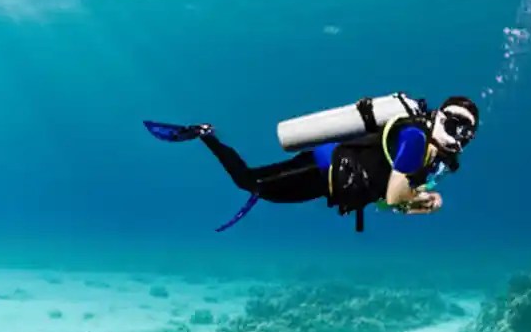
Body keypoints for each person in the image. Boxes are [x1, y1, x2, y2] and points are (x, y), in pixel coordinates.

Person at [143, 95, 480, 232]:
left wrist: (419, 200)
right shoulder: (416, 139)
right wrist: (426, 202)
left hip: (333, 181)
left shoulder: (436, 160)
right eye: (453, 123)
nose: (458, 135)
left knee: (257, 186)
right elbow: (394, 197)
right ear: (436, 117)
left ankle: (207, 136)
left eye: (467, 132)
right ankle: (205, 134)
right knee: (249, 182)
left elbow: (388, 197)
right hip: (323, 169)